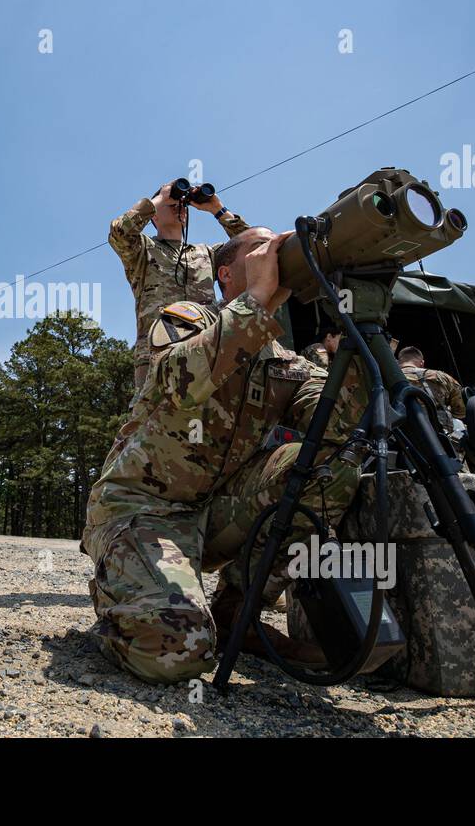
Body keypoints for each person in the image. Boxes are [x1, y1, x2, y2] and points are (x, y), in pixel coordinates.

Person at [81, 228, 368, 683]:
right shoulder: (186, 318)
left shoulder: (285, 361)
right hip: (141, 510)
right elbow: (183, 379)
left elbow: (337, 425)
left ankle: (240, 613)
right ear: (227, 273)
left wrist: (358, 329)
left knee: (328, 464)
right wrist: (257, 299)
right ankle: (125, 594)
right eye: (262, 247)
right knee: (179, 651)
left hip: (215, 512)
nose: (276, 251)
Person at [109, 181, 249, 392]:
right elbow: (119, 233)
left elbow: (253, 248)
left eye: (182, 205)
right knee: (156, 423)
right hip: (158, 357)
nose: (180, 208)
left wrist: (217, 209)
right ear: (154, 215)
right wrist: (159, 199)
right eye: (172, 204)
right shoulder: (142, 250)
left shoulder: (206, 254)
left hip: (207, 352)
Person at [397, 345, 465, 428]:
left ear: (399, 363)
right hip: (439, 434)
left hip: (399, 436)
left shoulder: (387, 379)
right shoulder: (440, 377)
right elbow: (461, 412)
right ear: (422, 363)